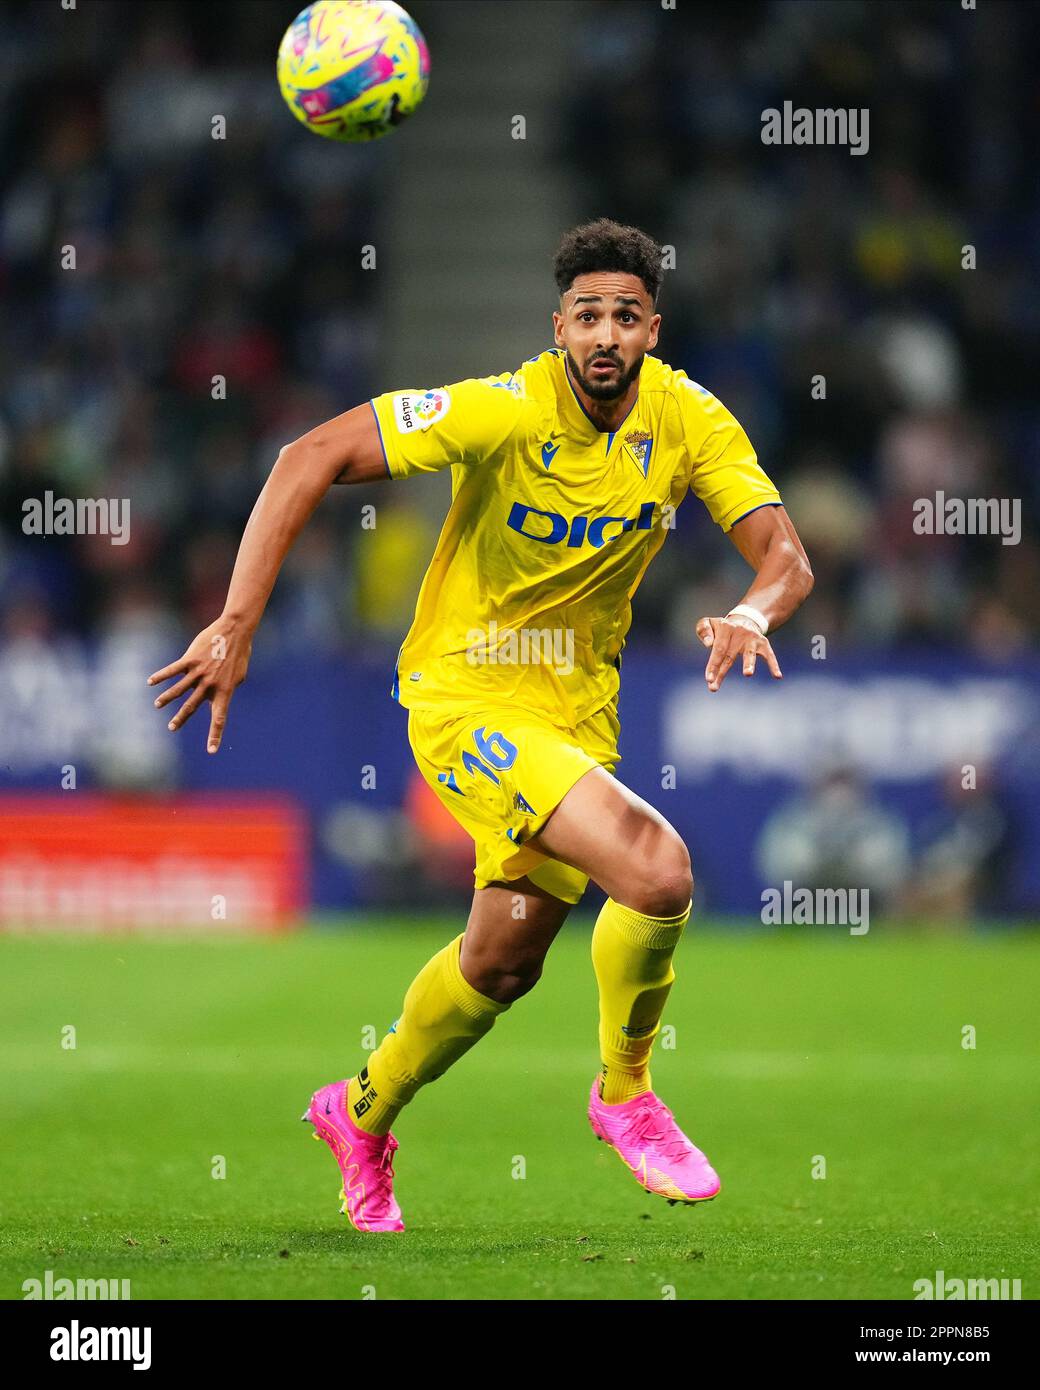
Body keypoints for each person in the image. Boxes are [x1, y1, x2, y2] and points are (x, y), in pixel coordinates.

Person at [148, 218, 814, 1232]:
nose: (603, 334)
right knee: (656, 866)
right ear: (557, 328)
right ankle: (625, 1092)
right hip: (466, 698)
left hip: (575, 714)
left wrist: (751, 612)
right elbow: (307, 455)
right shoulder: (501, 410)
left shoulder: (686, 418)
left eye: (624, 317)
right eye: (585, 315)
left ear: (650, 330)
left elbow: (785, 557)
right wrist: (237, 622)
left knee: (500, 960)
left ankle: (358, 1110)